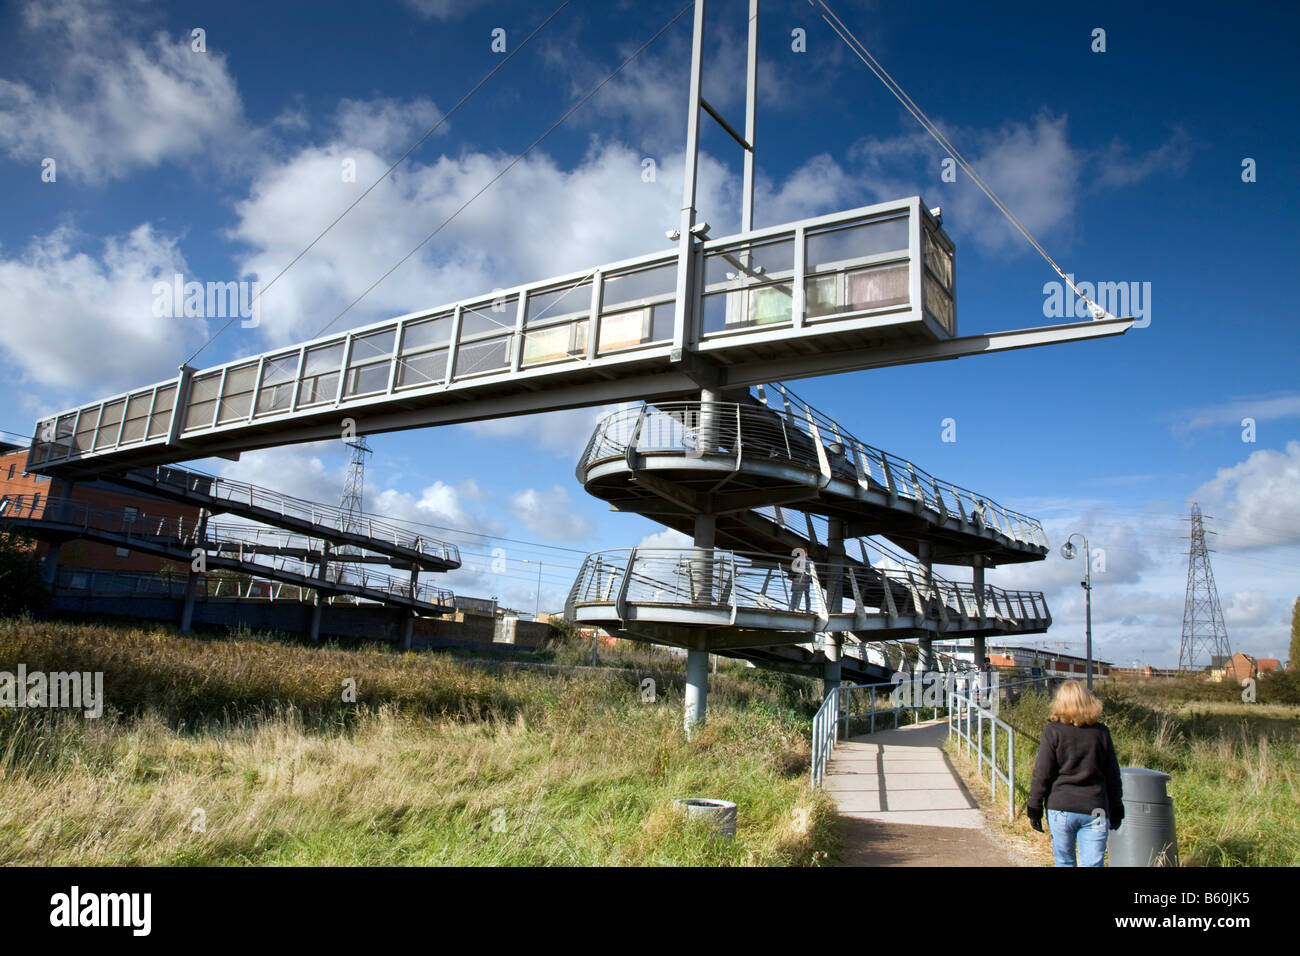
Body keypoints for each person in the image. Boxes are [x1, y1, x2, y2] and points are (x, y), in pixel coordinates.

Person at [1026, 680, 1124, 867]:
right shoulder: (1101, 733)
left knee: (1064, 862)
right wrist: (1117, 807)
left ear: (1059, 702)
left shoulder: (1053, 731)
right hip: (1095, 808)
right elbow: (1113, 775)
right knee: (1093, 863)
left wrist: (1035, 807)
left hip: (1061, 806)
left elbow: (1042, 773)